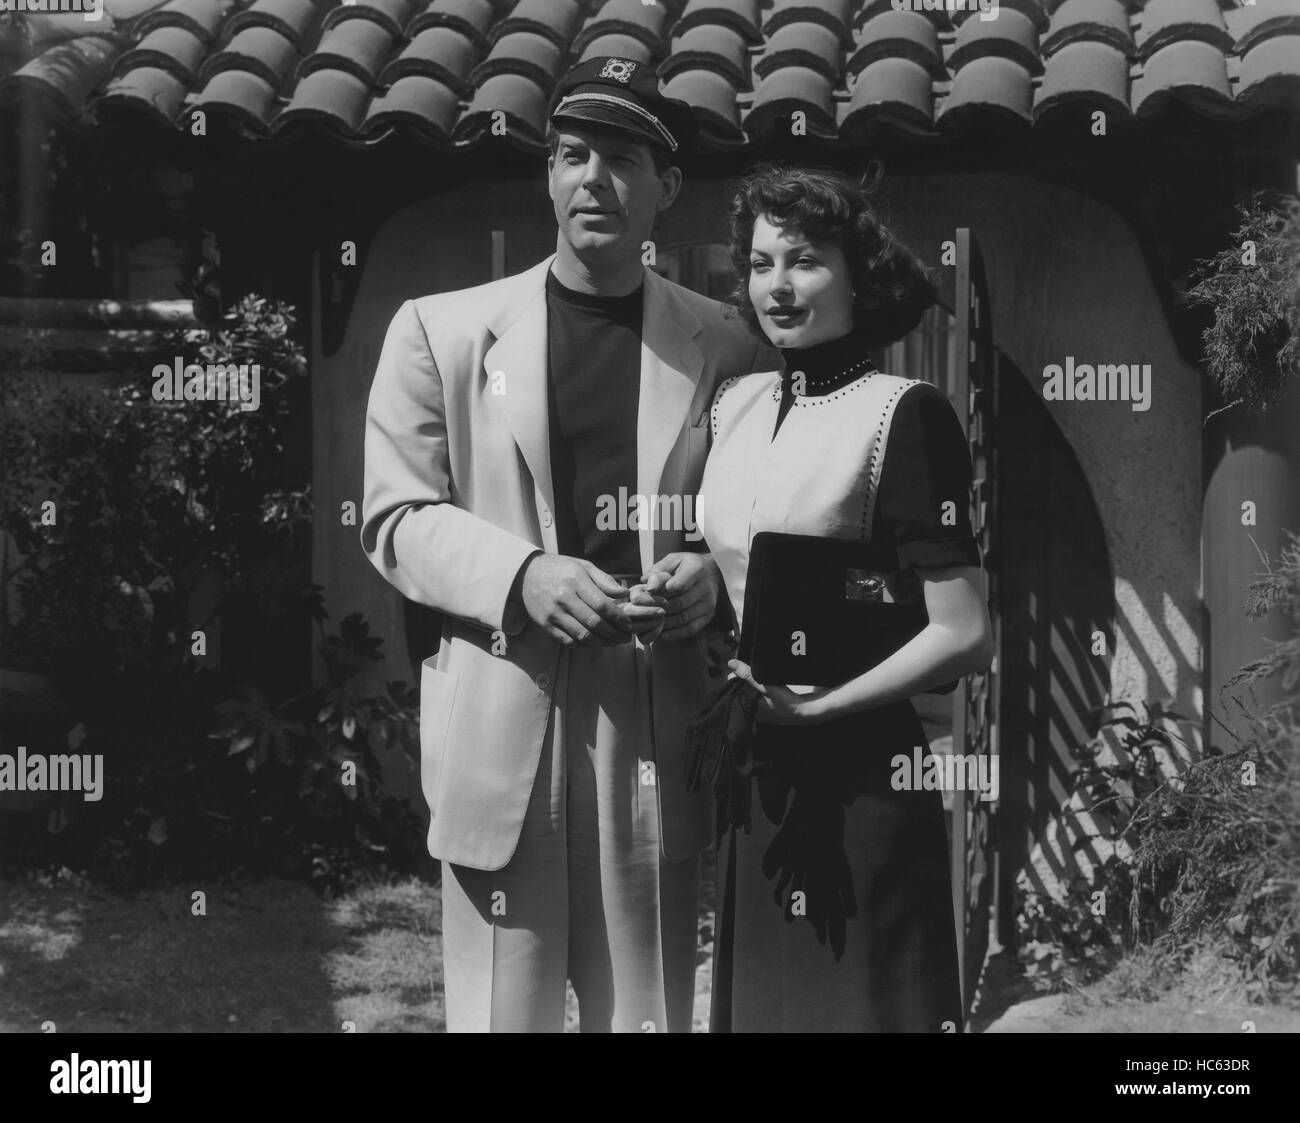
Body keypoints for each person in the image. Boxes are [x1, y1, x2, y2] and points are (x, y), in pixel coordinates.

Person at [360, 56, 773, 1032]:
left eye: (623, 159)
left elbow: (760, 511)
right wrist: (522, 574)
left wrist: (716, 577)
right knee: (507, 1010)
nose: (594, 178)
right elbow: (393, 517)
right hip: (507, 700)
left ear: (666, 188)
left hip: (652, 705)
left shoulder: (725, 345)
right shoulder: (440, 333)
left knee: (648, 1012)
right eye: (574, 154)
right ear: (548, 174)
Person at [694, 164, 994, 1032]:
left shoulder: (905, 414)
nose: (777, 286)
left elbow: (966, 632)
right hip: (760, 776)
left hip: (863, 775)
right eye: (758, 263)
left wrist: (823, 707)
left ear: (858, 275)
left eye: (805, 260)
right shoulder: (735, 406)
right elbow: (742, 563)